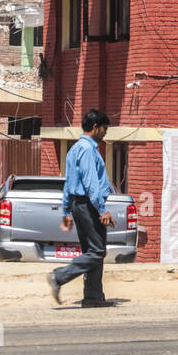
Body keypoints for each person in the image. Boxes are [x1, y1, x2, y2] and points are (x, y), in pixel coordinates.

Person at [47, 109, 116, 308]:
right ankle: (59, 276)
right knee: (97, 251)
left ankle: (93, 297)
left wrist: (67, 210)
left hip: (80, 205)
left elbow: (69, 183)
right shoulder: (87, 150)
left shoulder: (74, 149)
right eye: (104, 129)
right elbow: (91, 183)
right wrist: (102, 209)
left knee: (92, 250)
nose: (104, 134)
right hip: (89, 205)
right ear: (95, 128)